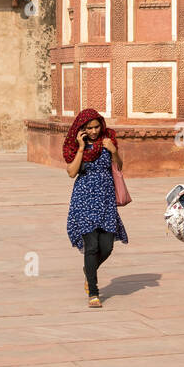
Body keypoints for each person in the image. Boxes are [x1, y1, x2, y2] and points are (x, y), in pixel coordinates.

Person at [63, 108, 128, 308]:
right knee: (91, 246)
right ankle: (94, 292)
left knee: (107, 246)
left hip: (106, 199)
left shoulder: (108, 141)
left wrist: (114, 150)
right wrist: (82, 148)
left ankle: (88, 271)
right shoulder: (75, 145)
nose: (93, 131)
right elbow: (71, 172)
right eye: (89, 128)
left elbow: (119, 166)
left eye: (96, 127)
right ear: (82, 129)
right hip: (84, 199)